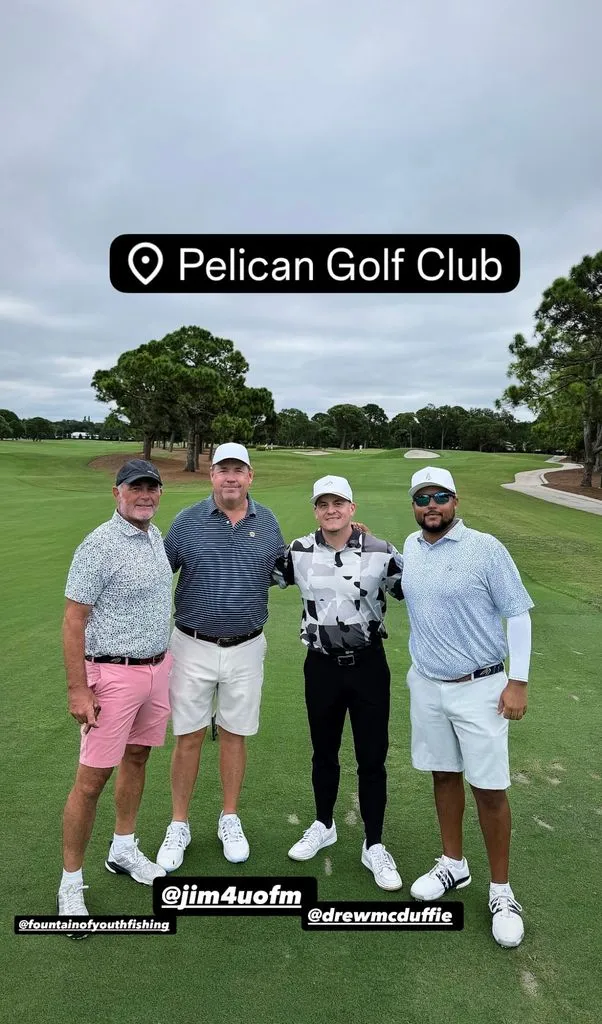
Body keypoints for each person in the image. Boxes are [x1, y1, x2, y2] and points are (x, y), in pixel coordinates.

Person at [400, 466, 533, 948]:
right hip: (428, 684)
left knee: (490, 789)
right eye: (421, 498)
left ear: (455, 501)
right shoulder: (411, 549)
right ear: (414, 506)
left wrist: (517, 681)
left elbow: (517, 612)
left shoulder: (485, 548)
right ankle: (454, 865)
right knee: (442, 774)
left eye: (439, 496)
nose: (430, 505)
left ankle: (502, 890)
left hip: (481, 686)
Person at [156, 443, 285, 871]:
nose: (231, 478)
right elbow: (158, 573)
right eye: (223, 470)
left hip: (247, 647)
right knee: (189, 734)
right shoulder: (187, 522)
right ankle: (179, 822)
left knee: (234, 733)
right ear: (211, 475)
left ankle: (229, 816)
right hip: (191, 645)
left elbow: (287, 569)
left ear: (251, 476)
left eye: (238, 470)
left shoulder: (267, 522)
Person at [273, 475, 405, 890]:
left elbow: (416, 589)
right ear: (315, 510)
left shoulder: (382, 552)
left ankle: (374, 843)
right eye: (323, 503)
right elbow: (257, 576)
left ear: (352, 508)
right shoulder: (297, 551)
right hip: (321, 666)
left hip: (368, 666)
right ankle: (324, 823)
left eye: (339, 503)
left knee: (372, 757)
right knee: (323, 753)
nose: (331, 510)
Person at [58, 459, 173, 932]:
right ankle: (70, 884)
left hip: (155, 669)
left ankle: (122, 849)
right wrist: (78, 688)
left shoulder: (155, 535)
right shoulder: (98, 546)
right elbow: (73, 620)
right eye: (136, 488)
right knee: (91, 781)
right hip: (111, 675)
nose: (145, 495)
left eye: (152, 488)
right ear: (117, 493)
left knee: (139, 758)